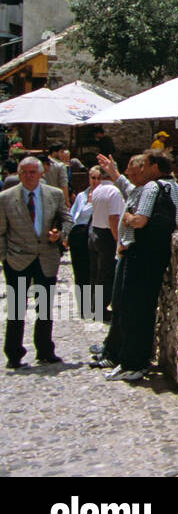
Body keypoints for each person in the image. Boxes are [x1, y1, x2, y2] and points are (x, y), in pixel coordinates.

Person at [104, 152, 178, 381]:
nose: (141, 171)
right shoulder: (177, 189)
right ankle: (135, 360)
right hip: (159, 255)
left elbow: (140, 219)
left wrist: (127, 219)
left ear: (153, 166)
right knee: (145, 309)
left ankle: (132, 363)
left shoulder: (152, 187)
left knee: (131, 309)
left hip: (140, 254)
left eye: (144, 166)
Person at [1, 157, 68, 368]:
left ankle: (45, 350)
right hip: (17, 259)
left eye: (32, 172)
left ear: (41, 174)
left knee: (45, 308)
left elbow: (67, 219)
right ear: (19, 174)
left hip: (46, 258)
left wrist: (60, 234)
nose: (28, 176)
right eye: (24, 172)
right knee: (16, 308)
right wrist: (5, 258)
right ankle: (13, 353)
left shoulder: (54, 195)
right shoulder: (5, 198)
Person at [88, 155, 126, 327]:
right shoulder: (114, 191)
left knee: (97, 273)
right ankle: (101, 309)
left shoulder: (97, 190)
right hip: (106, 235)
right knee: (106, 274)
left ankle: (96, 306)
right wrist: (117, 240)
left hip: (95, 232)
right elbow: (113, 218)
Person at [65, 166, 102, 320]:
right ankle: (83, 307)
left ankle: (96, 307)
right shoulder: (81, 195)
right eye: (92, 178)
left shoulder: (104, 196)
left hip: (93, 236)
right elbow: (73, 215)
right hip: (78, 236)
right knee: (79, 272)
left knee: (94, 272)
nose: (95, 181)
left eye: (98, 178)